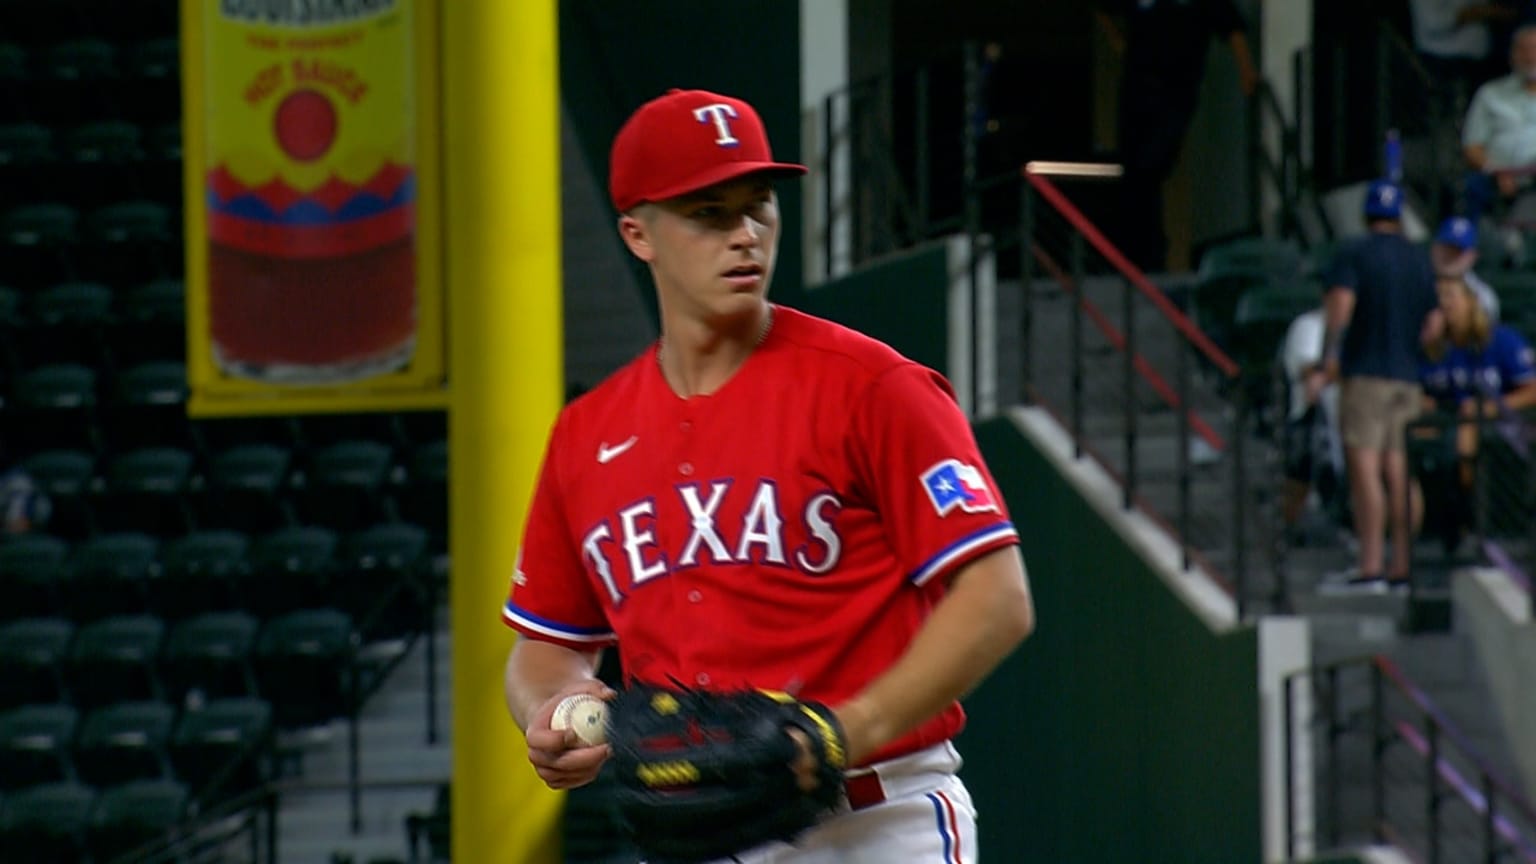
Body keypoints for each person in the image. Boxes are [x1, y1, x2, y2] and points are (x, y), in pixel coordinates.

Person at [500, 88, 1035, 863]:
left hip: (877, 818)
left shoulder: (873, 387)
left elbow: (997, 599)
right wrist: (552, 705)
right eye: (709, 213)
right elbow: (546, 644)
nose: (745, 233)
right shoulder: (586, 436)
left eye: (758, 206)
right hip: (698, 833)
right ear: (637, 234)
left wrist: (848, 731)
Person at [1319, 179, 1442, 594]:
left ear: (1366, 214)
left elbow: (1340, 308)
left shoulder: (1354, 252)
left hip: (1365, 373)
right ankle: (1402, 568)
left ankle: (1371, 566)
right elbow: (1435, 323)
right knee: (1400, 471)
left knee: (1366, 469)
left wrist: (1328, 358)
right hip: (1406, 376)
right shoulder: (1417, 258)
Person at [1096, 0, 1259, 272]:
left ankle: (1151, 252)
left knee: (1153, 163)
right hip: (1136, 94)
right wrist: (1116, 39)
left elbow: (1232, 29)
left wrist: (1246, 72)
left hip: (1176, 93)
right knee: (1135, 172)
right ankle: (1140, 254)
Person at [1417, 273, 1536, 548]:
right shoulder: (1431, 347)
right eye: (1439, 298)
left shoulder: (1502, 340)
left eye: (1451, 295)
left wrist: (1493, 407)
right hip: (1447, 426)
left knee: (1468, 427)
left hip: (1503, 427)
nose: (1444, 303)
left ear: (1472, 302)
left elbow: (1532, 389)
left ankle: (1470, 515)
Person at [1278, 288, 1342, 539]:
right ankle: (1287, 527)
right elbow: (1310, 374)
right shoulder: (1309, 324)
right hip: (1310, 417)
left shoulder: (1365, 327)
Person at [1462, 22, 1536, 225]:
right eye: (1523, 50)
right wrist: (1497, 171)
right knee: (1473, 185)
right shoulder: (1490, 93)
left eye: (1535, 49)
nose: (1530, 57)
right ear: (1512, 55)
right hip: (1496, 177)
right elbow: (1472, 147)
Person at [1430, 215, 1500, 321]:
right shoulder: (1414, 285)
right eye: (1446, 248)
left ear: (1473, 256)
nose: (1450, 255)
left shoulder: (1483, 297)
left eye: (1458, 251)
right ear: (1434, 248)